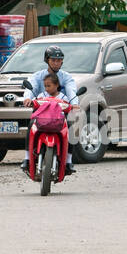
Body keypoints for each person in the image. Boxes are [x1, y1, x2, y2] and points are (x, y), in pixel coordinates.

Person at [21, 46, 79, 174]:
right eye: (53, 60)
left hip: (60, 114)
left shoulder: (67, 77)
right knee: (31, 125)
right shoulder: (38, 76)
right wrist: (27, 99)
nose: (56, 63)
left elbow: (71, 90)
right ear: (47, 60)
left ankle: (68, 161)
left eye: (59, 60)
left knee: (71, 128)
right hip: (41, 113)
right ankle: (27, 158)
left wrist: (74, 104)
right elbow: (31, 88)